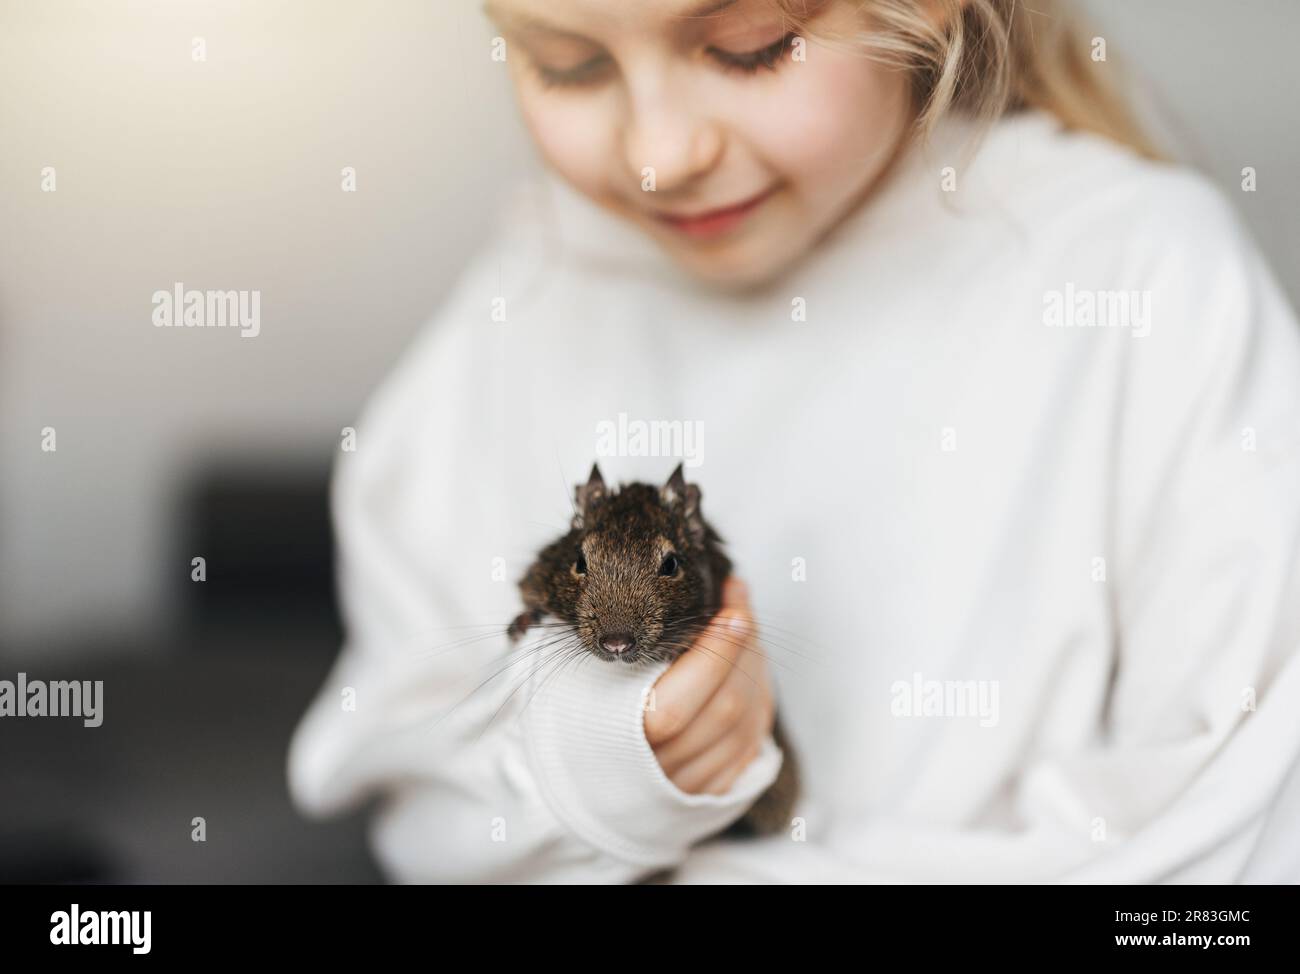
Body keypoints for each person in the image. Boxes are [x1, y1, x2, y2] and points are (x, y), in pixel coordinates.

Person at [287, 0, 1300, 882]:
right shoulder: (519, 306)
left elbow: (1232, 842)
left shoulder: (1150, 283)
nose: (657, 155)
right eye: (568, 62)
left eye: (748, 45)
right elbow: (415, 801)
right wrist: (600, 764)